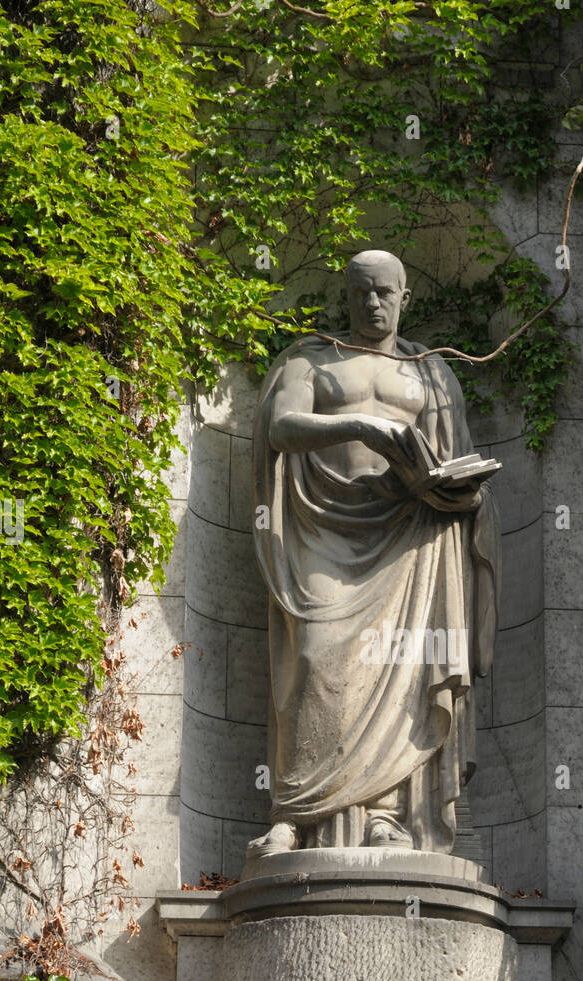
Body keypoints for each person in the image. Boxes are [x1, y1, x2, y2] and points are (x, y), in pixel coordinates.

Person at [250, 248, 500, 854]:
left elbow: (457, 454)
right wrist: (361, 427)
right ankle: (296, 812)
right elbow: (282, 426)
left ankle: (388, 813)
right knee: (312, 656)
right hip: (323, 530)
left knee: (404, 668)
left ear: (405, 298)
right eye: (361, 291)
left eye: (385, 292)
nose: (372, 303)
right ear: (346, 295)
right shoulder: (311, 360)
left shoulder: (432, 374)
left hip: (410, 534)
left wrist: (459, 492)